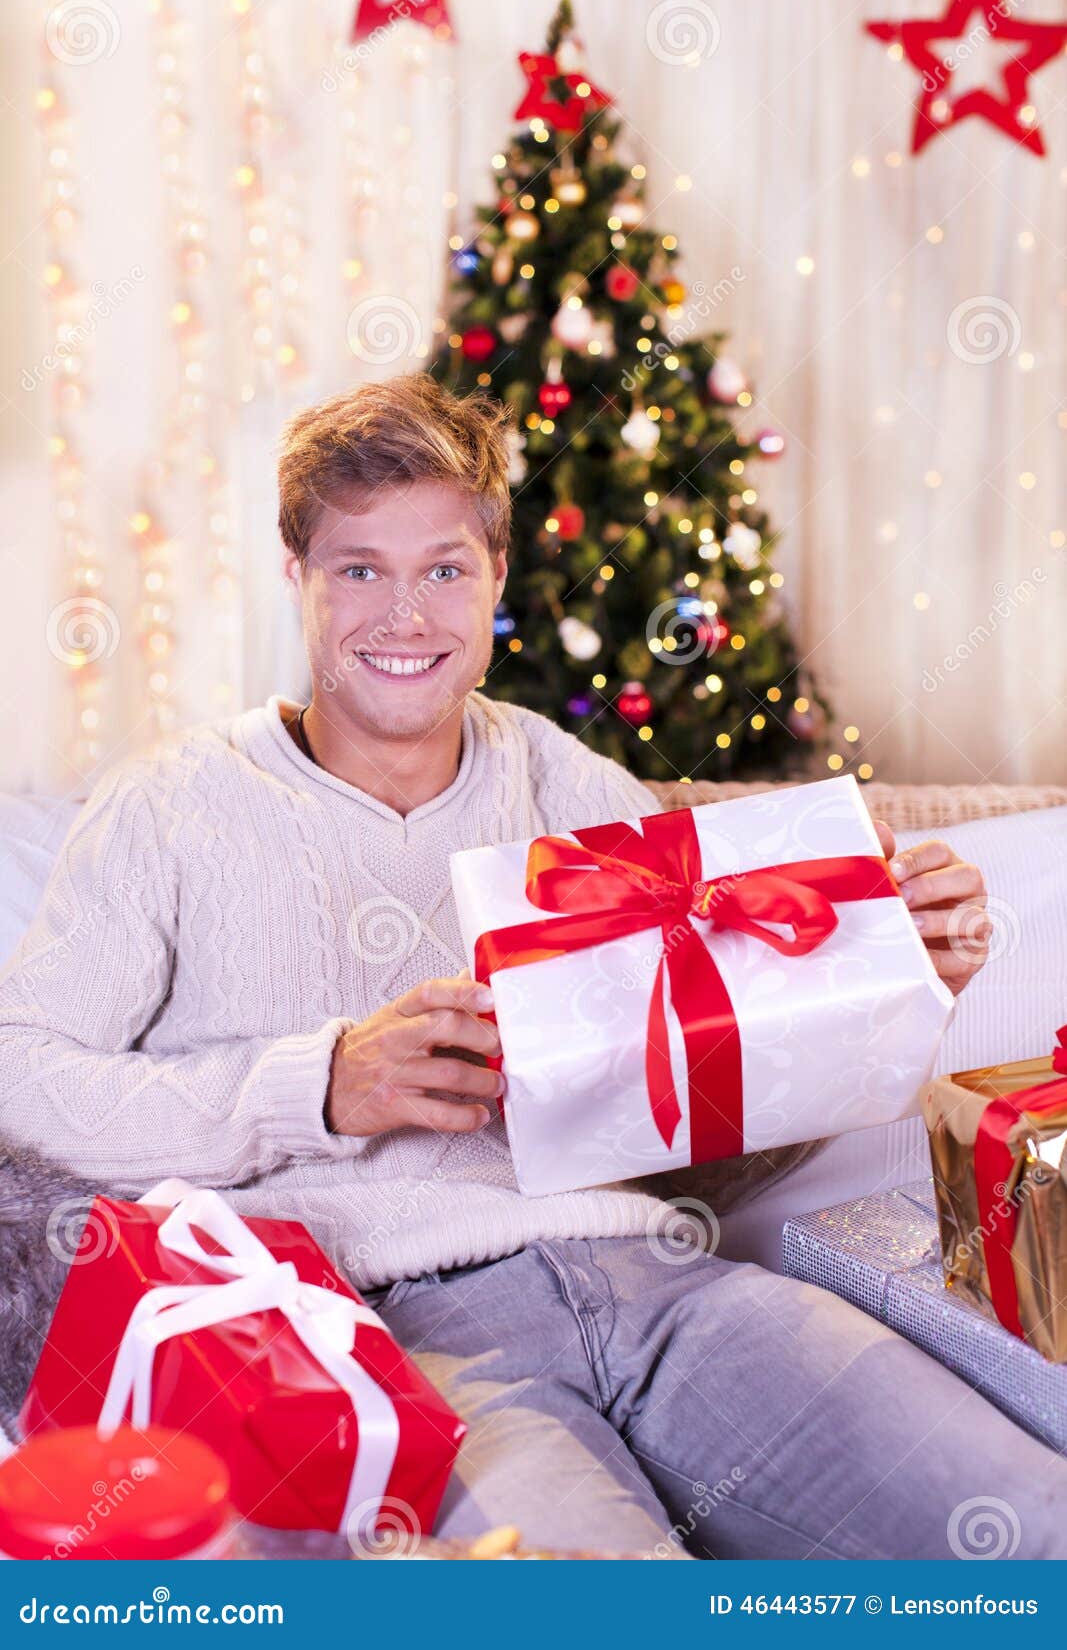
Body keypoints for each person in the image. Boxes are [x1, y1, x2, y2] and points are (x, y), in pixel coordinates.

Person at [2, 374, 1057, 1561]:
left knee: (1027, 1529)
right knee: (578, 1603)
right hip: (392, 1333)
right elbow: (21, 1077)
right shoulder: (169, 805)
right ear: (294, 573)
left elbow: (716, 1131)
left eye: (444, 568)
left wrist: (899, 982)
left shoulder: (572, 792)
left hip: (668, 1289)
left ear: (498, 576)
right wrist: (320, 1083)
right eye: (360, 568)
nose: (404, 615)